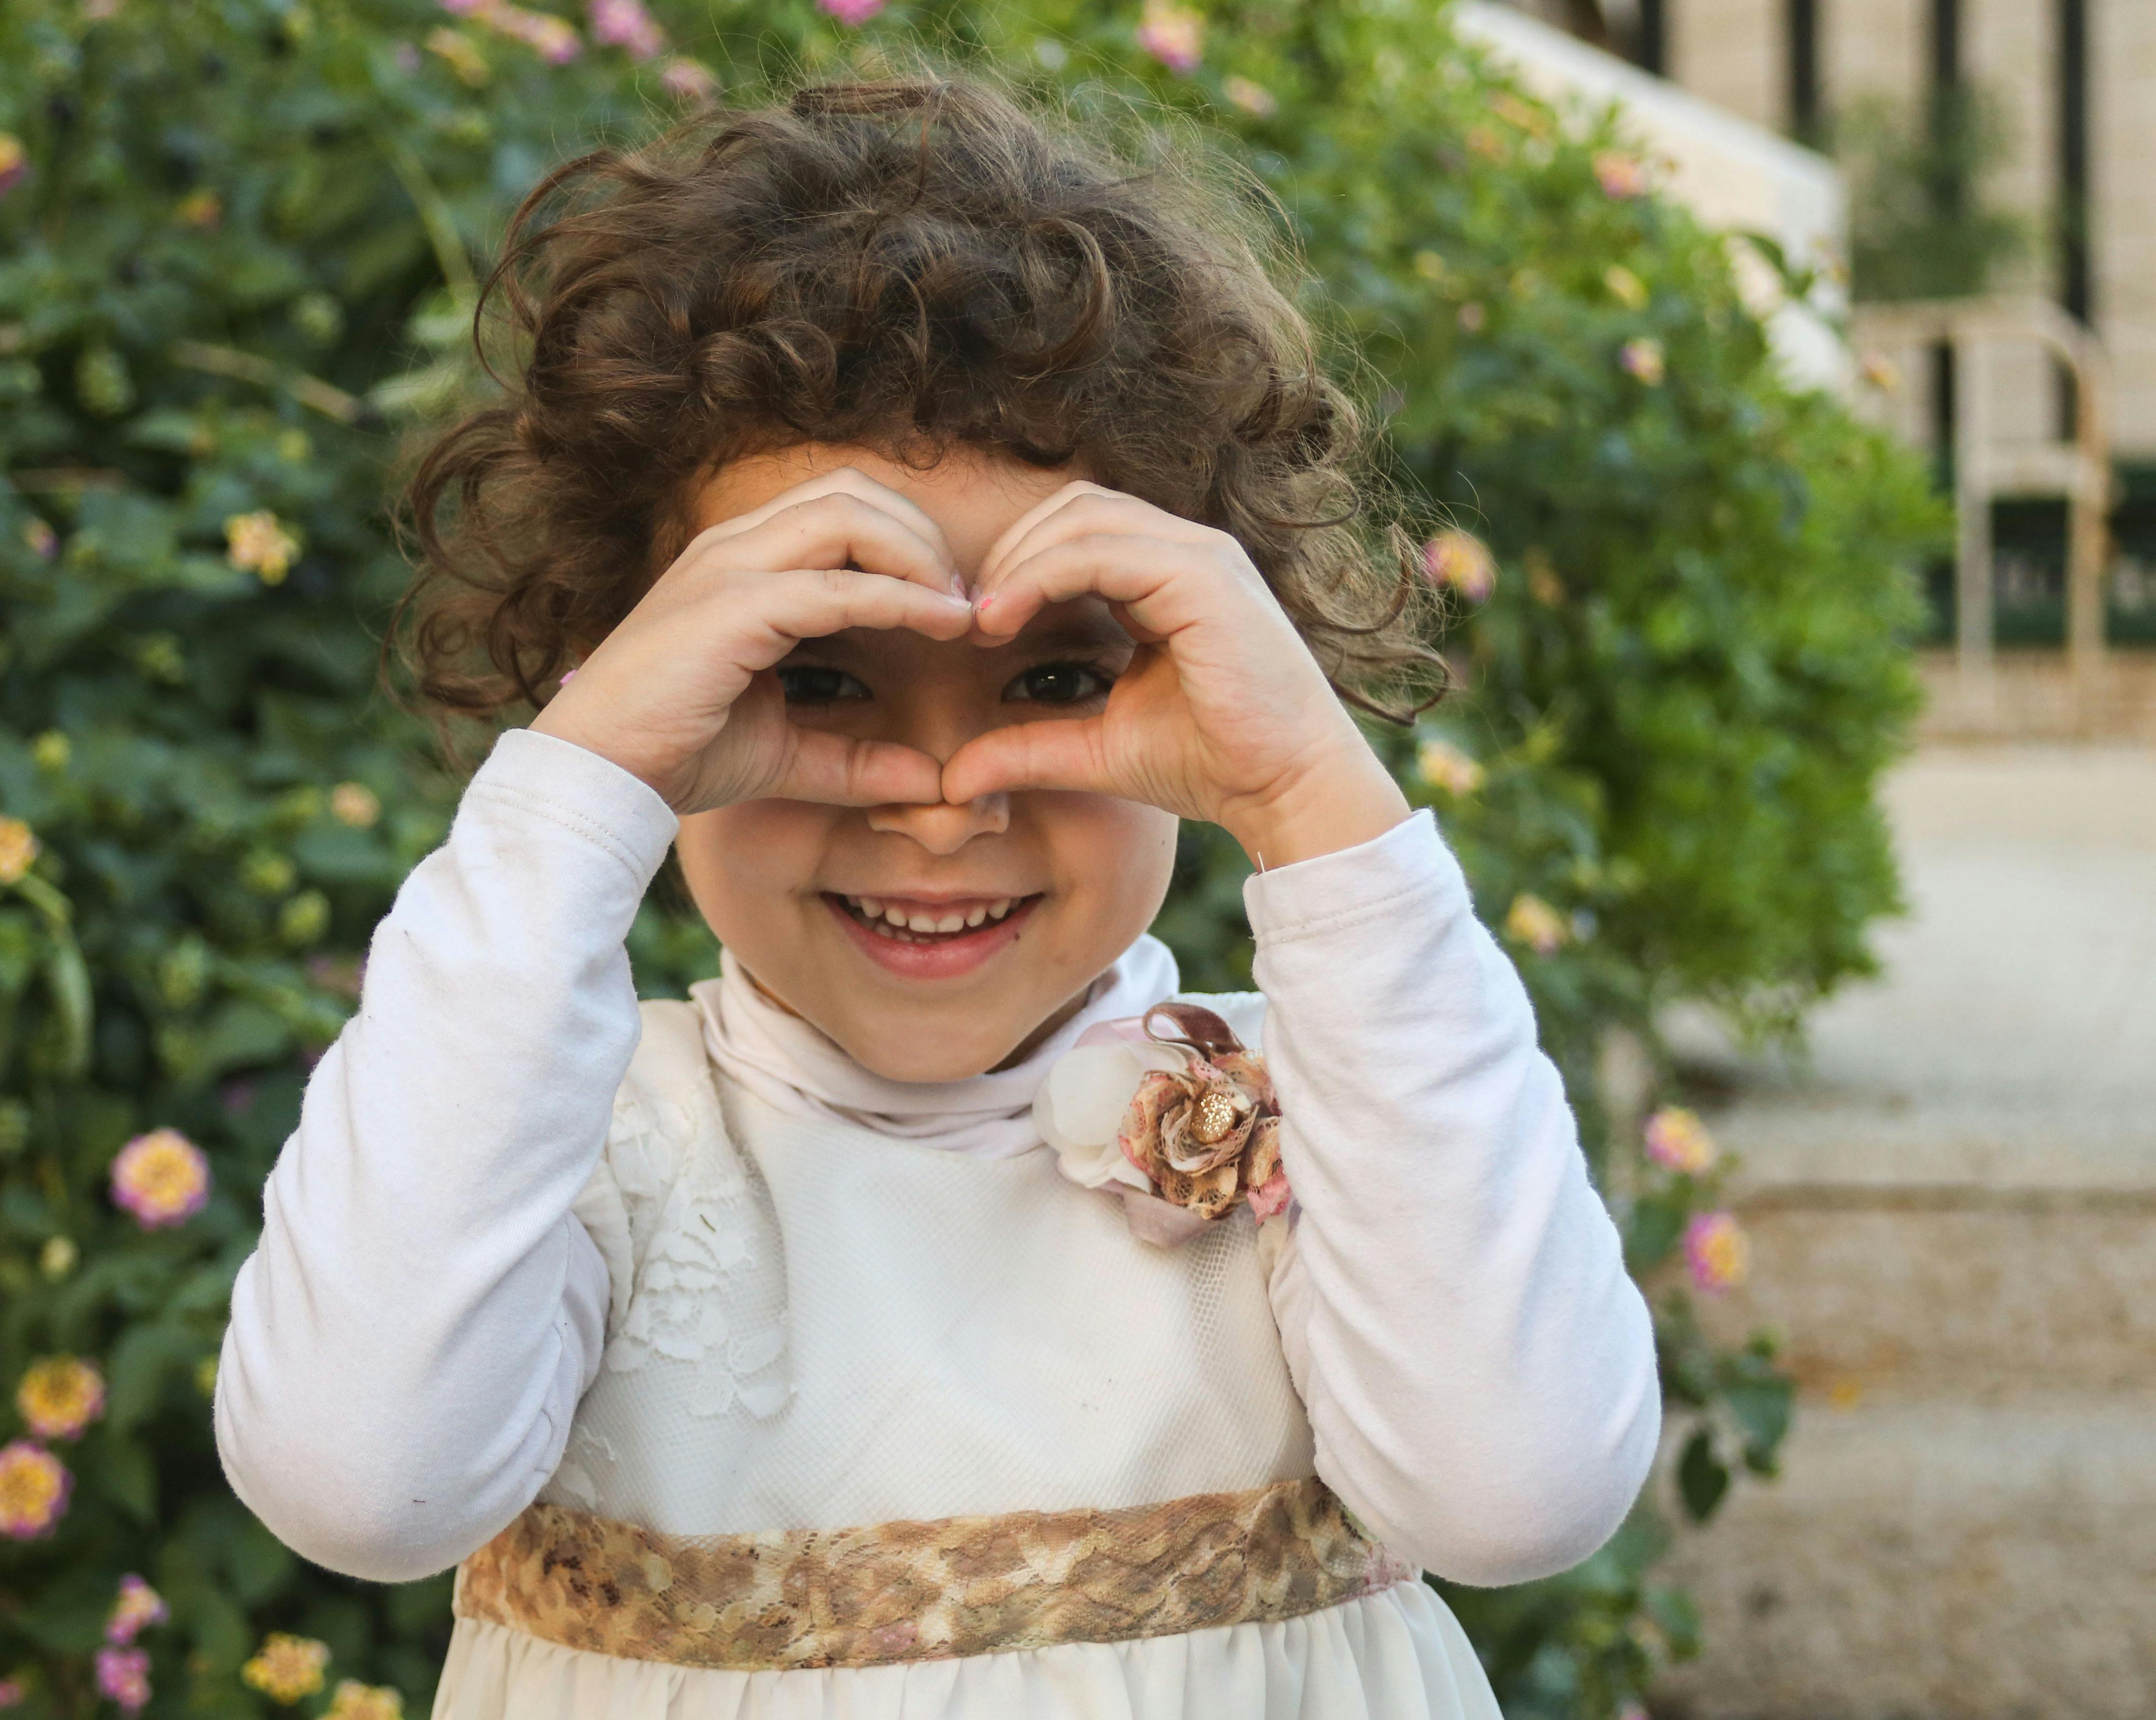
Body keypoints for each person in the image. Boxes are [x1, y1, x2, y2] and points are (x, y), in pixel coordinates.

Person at [215, 73, 1659, 1720]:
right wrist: (578, 785)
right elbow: (355, 1478)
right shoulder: (570, 1145)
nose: (941, 791)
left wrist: (1311, 800)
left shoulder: (1341, 1109)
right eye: (815, 680)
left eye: (1055, 675)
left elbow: (1524, 1493)